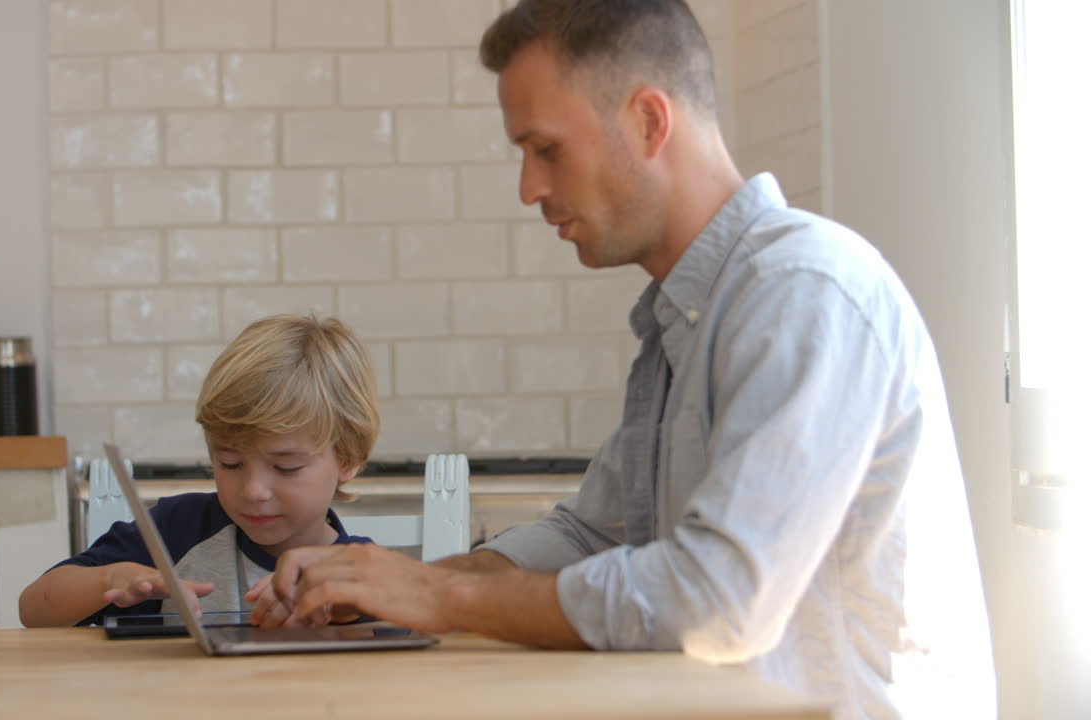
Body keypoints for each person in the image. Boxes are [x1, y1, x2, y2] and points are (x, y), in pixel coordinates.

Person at [245, 1, 997, 717]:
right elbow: (589, 536)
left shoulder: (804, 292)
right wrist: (394, 584)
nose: (528, 187)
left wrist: (442, 601)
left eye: (545, 149)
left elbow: (717, 602)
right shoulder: (689, 320)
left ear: (647, 120)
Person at [18, 314, 381, 628]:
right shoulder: (177, 530)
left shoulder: (360, 569)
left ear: (349, 459)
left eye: (286, 467)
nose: (253, 490)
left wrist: (342, 605)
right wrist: (112, 578)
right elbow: (33, 610)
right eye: (230, 463)